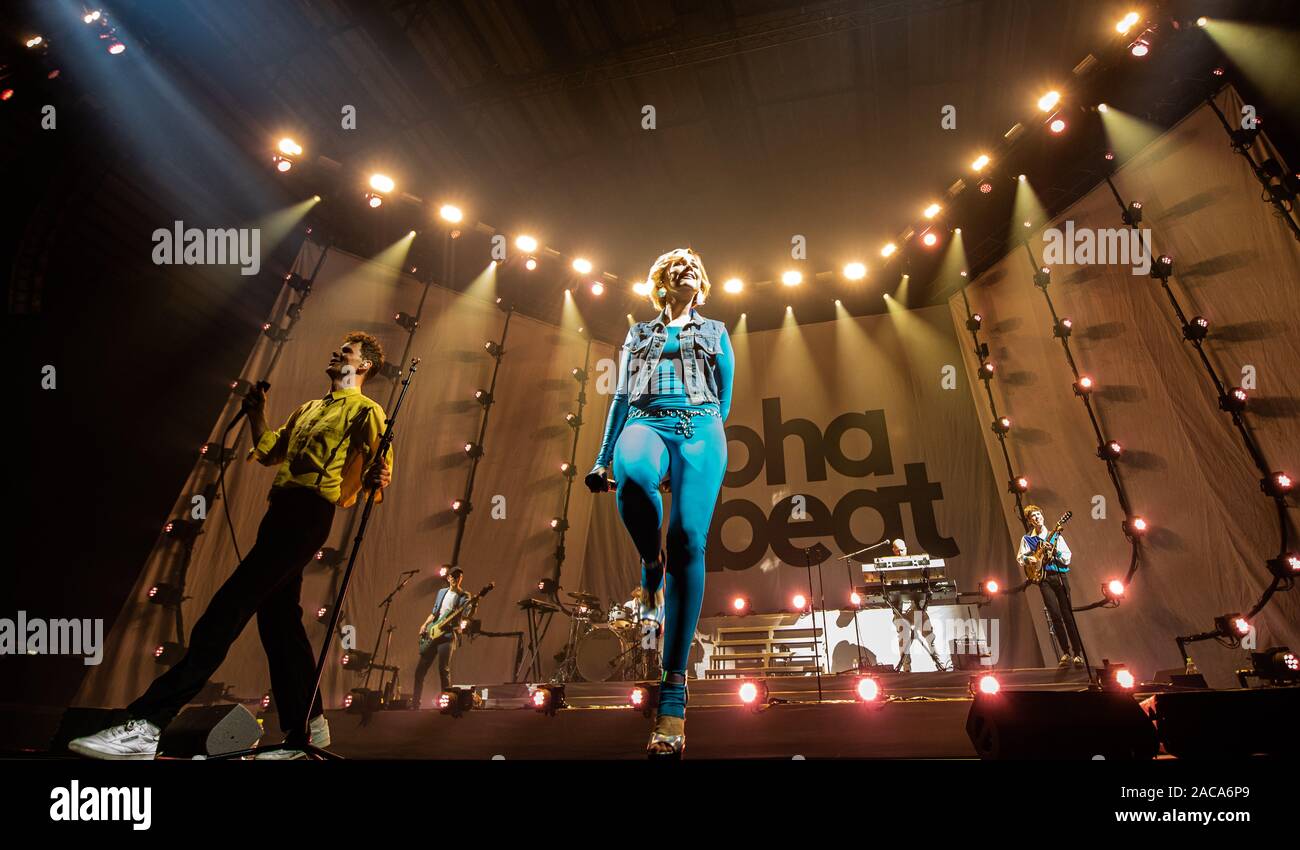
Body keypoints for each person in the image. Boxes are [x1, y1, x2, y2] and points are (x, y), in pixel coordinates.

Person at [70, 332, 394, 759]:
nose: (337, 353)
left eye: (347, 351)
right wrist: (258, 414)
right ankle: (307, 729)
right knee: (280, 623)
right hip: (279, 514)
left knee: (227, 609)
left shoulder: (367, 411)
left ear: (365, 365)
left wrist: (376, 478)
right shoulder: (310, 408)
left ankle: (148, 723)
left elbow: (381, 468)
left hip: (308, 515)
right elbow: (268, 450)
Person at [586, 247, 734, 758]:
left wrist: (702, 442)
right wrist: (602, 458)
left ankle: (673, 693)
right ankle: (650, 565)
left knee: (689, 540)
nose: (686, 270)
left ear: (702, 282)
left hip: (701, 426)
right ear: (661, 284)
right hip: (645, 420)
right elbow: (621, 397)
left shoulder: (715, 330)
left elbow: (726, 393)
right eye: (676, 269)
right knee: (632, 479)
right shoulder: (638, 333)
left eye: (693, 266)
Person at [1017, 504, 1085, 667]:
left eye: (1038, 514)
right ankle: (1066, 653)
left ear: (1042, 515)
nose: (1036, 517)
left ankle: (1077, 654)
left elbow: (1067, 557)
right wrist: (1030, 559)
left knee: (1067, 615)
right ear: (1029, 521)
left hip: (1059, 576)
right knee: (1055, 615)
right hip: (1044, 579)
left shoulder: (1055, 536)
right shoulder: (1027, 539)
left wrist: (1055, 553)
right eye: (1032, 516)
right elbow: (1021, 558)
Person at [411, 568, 469, 709]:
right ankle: (415, 704)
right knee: (419, 671)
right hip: (433, 633)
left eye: (459, 576)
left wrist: (474, 605)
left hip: (448, 635)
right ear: (448, 578)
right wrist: (425, 624)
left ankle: (447, 703)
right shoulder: (441, 592)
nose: (456, 578)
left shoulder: (464, 596)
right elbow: (434, 612)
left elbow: (467, 613)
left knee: (443, 670)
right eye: (453, 576)